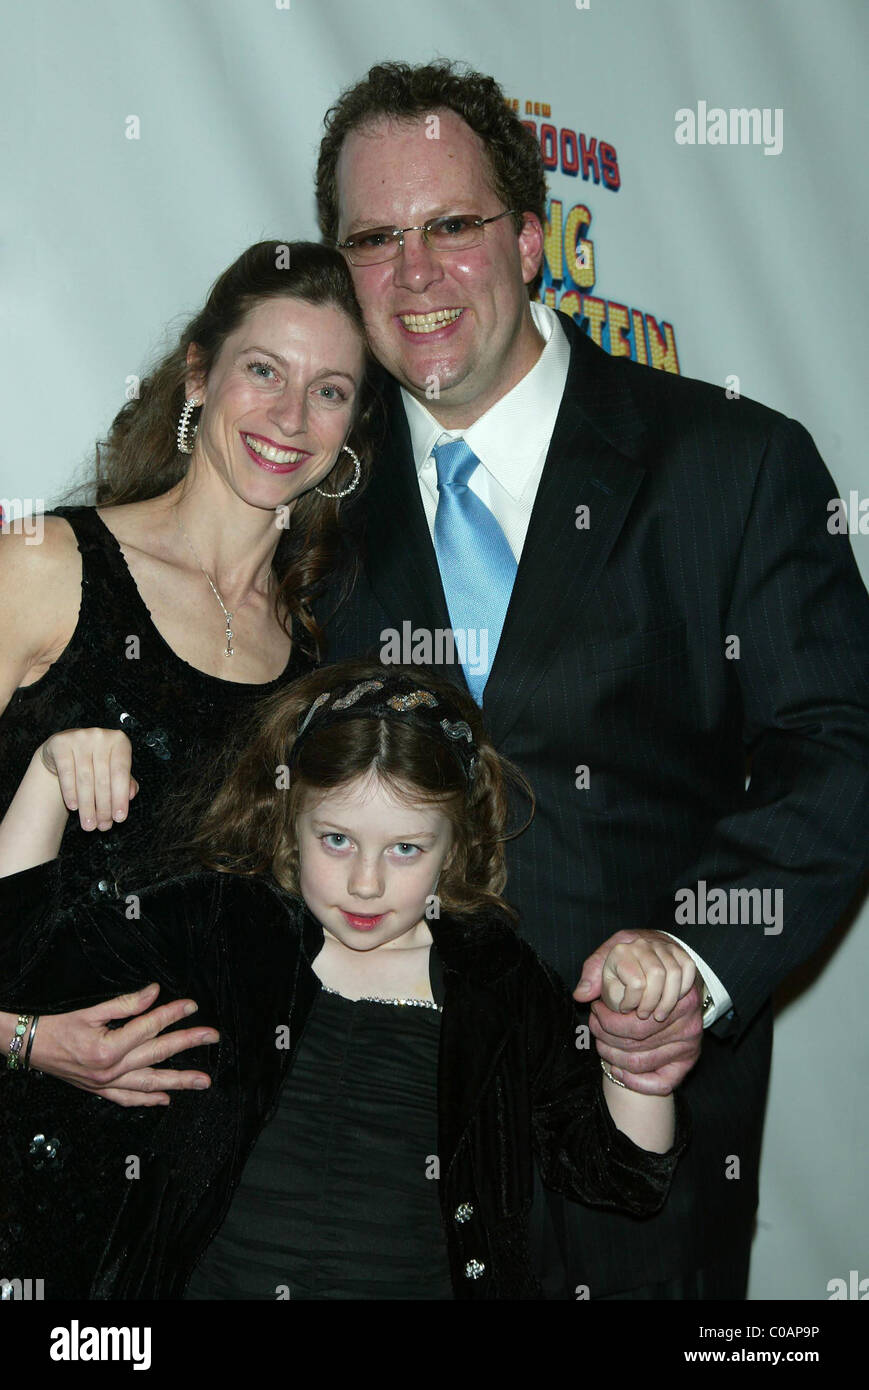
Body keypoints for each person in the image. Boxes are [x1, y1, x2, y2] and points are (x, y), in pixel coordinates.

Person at [311, 59, 869, 1299]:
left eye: (450, 226)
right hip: (357, 1165)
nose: (415, 272)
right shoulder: (305, 495)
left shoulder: (730, 465)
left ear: (525, 235)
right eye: (374, 238)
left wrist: (693, 963)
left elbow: (839, 752)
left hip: (636, 1149)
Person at [0, 661, 694, 1299]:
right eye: (336, 840)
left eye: (405, 848)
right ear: (286, 819)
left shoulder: (497, 979)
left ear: (454, 844)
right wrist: (47, 776)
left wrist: (640, 1057)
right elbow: (16, 969)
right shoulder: (216, 927)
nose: (366, 884)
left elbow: (619, 1176)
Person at [0, 239, 379, 1105]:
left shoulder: (314, 658)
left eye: (328, 392)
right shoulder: (46, 564)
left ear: (350, 430)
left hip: (192, 1192)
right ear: (200, 375)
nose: (290, 417)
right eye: (263, 371)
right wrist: (27, 1039)